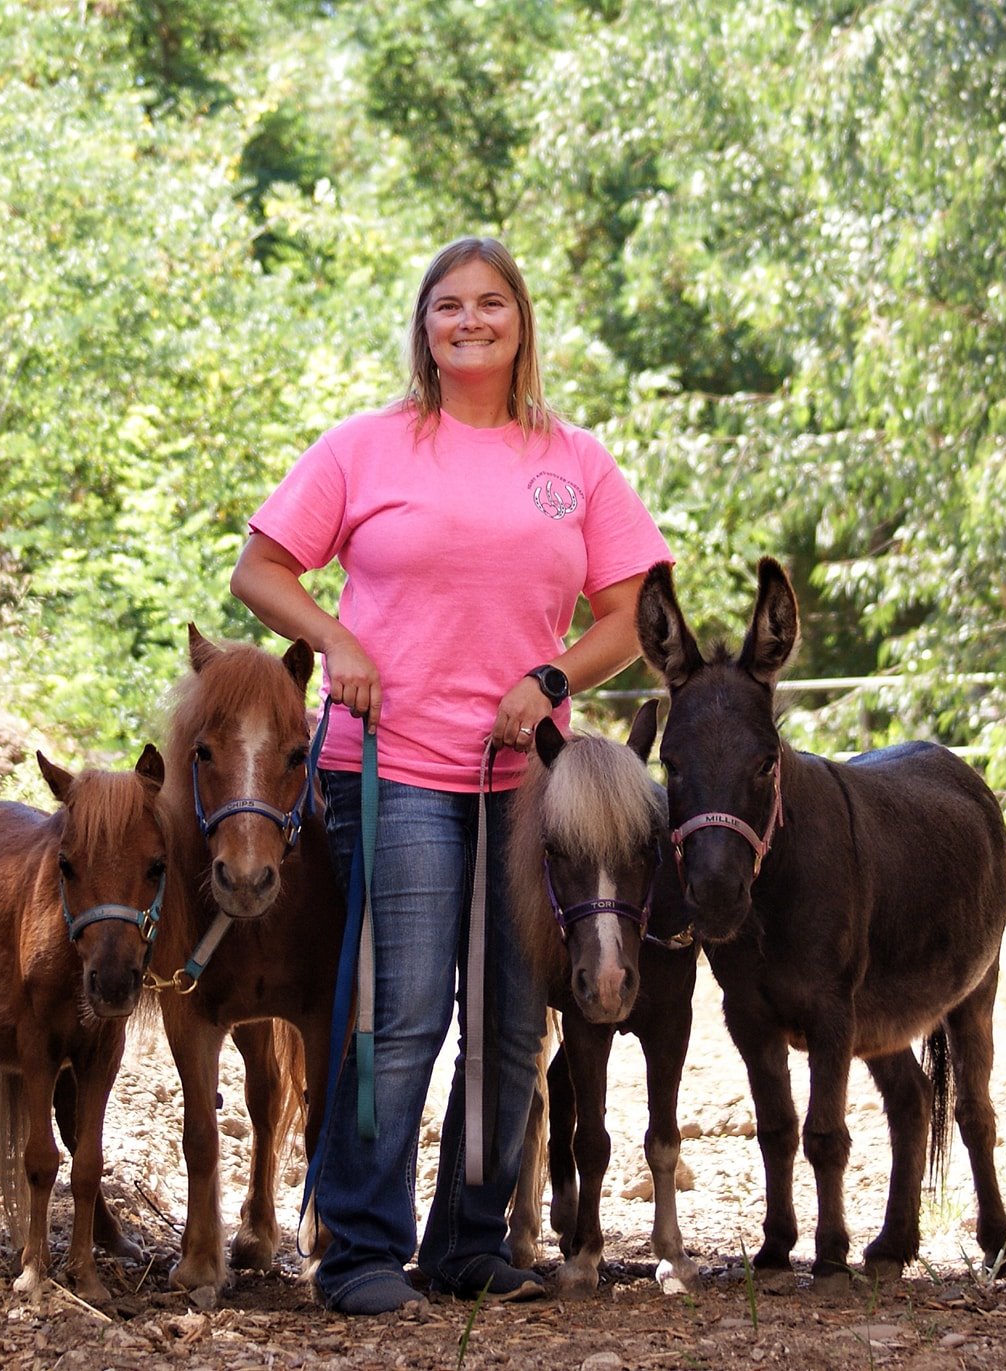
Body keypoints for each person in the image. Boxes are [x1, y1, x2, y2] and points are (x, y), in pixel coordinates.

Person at [230, 236, 672, 1316]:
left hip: (532, 784)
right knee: (405, 1004)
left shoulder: (576, 461)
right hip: (395, 771)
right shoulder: (364, 447)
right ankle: (359, 1251)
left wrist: (551, 673)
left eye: (489, 304)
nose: (468, 321)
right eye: (446, 307)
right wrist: (336, 641)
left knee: (517, 1020)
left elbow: (628, 617)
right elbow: (259, 570)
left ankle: (472, 1243)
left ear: (520, 321)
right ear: (423, 327)